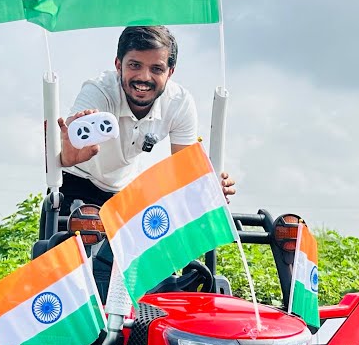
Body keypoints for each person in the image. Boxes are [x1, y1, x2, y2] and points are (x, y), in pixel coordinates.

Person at [56, 25, 236, 209]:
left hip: (124, 193)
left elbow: (185, 172)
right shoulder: (99, 91)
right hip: (76, 179)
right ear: (118, 65)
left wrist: (207, 185)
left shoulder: (179, 102)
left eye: (157, 69)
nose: (144, 77)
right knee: (71, 232)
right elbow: (67, 147)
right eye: (135, 65)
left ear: (170, 72)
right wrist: (66, 155)